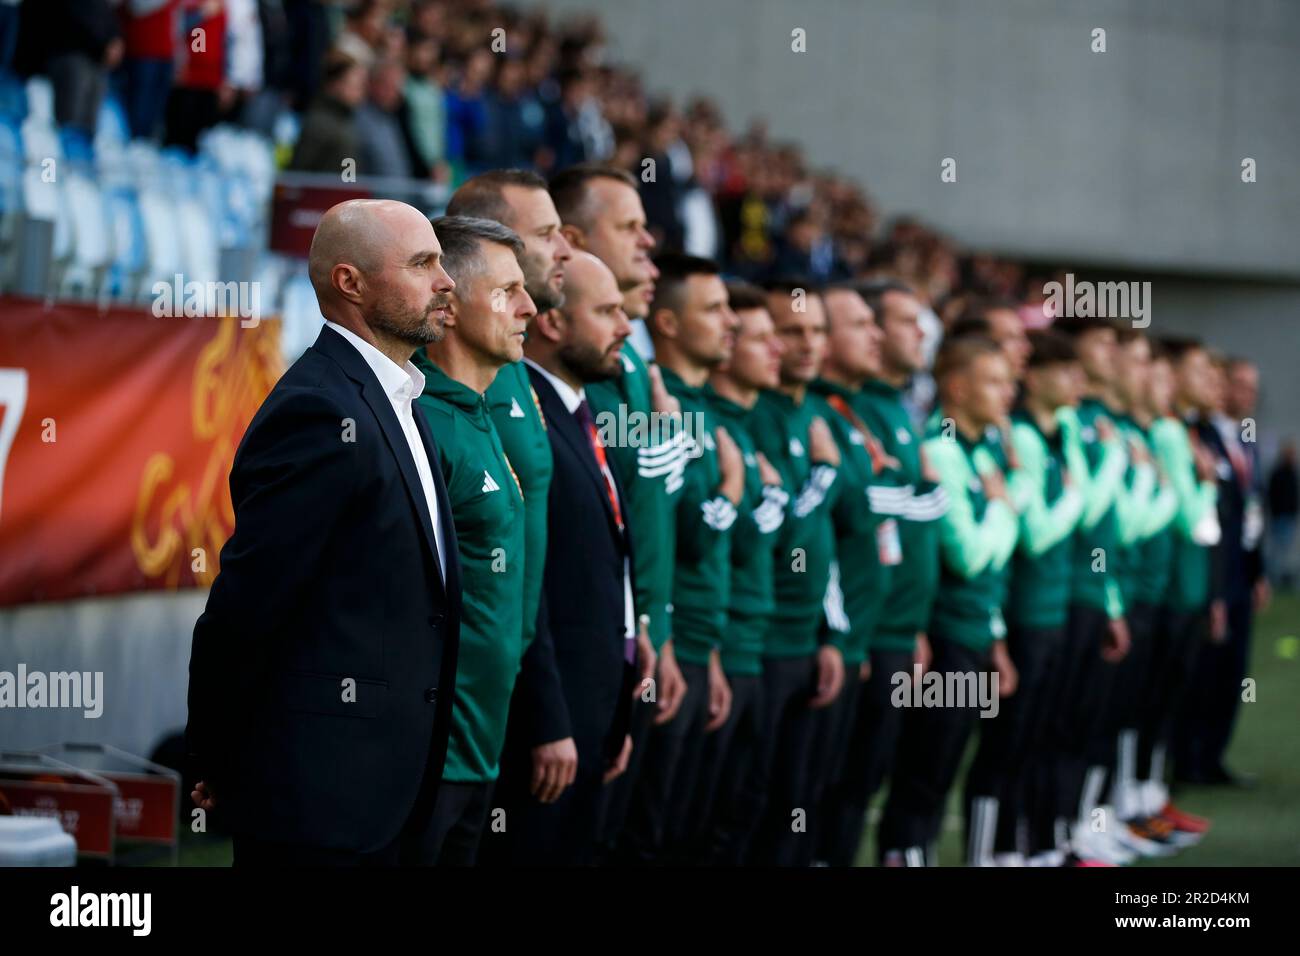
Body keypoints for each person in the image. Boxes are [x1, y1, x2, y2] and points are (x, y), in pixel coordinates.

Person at [186, 199, 461, 866]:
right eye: (422, 263)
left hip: (394, 792)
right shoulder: (319, 410)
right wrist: (215, 759)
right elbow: (246, 608)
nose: (447, 281)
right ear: (350, 283)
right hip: (319, 803)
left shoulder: (398, 398)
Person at [548, 165, 691, 854]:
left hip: (637, 637)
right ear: (573, 240)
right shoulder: (567, 359)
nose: (647, 240)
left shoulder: (628, 357)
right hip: (587, 648)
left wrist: (654, 623)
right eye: (628, 226)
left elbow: (644, 513)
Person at [483, 251, 636, 866]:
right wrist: (550, 718)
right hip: (549, 722)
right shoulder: (526, 420)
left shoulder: (586, 411)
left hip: (598, 703)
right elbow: (531, 583)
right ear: (553, 323)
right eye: (607, 311)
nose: (625, 325)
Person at [444, 170, 576, 814]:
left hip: (501, 696)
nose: (565, 251)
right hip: (457, 712)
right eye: (547, 234)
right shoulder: (444, 391)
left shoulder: (510, 366)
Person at [412, 216, 535, 864]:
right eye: (507, 291)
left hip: (483, 753)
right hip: (429, 760)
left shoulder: (482, 414)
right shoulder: (422, 423)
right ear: (451, 305)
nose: (530, 306)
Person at [615, 253, 744, 864]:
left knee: (683, 828)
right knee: (644, 832)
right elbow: (690, 530)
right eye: (714, 310)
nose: (731, 324)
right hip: (665, 644)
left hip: (695, 644)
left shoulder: (699, 405)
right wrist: (737, 492)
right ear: (667, 323)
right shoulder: (664, 403)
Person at [878, 336, 1019, 867]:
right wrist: (1006, 509)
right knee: (923, 773)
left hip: (974, 633)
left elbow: (991, 563)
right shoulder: (940, 448)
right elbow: (970, 555)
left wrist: (997, 637)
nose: (1007, 392)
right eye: (994, 381)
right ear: (956, 386)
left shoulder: (976, 450)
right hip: (943, 636)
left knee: (939, 774)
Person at [962, 330, 1086, 866]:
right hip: (1020, 611)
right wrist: (1078, 492)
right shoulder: (1022, 439)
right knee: (1005, 745)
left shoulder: (1056, 434)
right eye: (1067, 369)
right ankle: (993, 851)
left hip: (1051, 607)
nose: (1078, 380)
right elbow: (1034, 533)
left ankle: (1028, 846)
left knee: (1039, 736)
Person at [735, 280, 844, 867]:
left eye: (817, 331)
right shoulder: (759, 414)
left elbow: (825, 542)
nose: (806, 345)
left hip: (806, 640)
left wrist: (831, 633)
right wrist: (824, 473)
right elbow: (781, 535)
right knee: (756, 803)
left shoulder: (815, 413)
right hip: (764, 641)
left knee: (800, 801)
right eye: (791, 331)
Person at [683, 280, 788, 863]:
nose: (776, 350)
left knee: (744, 807)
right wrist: (757, 493)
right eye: (763, 338)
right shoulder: (708, 422)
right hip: (719, 645)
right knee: (696, 820)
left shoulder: (742, 427)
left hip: (747, 644)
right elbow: (727, 538)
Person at [806, 286, 906, 866]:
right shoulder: (817, 413)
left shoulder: (858, 411)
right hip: (823, 643)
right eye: (860, 323)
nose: (877, 335)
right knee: (805, 796)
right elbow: (857, 515)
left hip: (863, 636)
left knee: (852, 785)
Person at [849, 279, 948, 866]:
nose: (921, 334)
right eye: (906, 321)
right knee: (836, 785)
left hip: (898, 633)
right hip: (863, 636)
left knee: (868, 779)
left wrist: (912, 627)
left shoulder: (901, 406)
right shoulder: (856, 408)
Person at [1050, 316, 1133, 865]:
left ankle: (1080, 828)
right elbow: (1090, 512)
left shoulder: (1101, 422)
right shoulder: (1069, 425)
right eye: (1102, 342)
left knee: (1091, 723)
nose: (1113, 354)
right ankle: (1055, 836)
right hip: (1066, 592)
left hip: (1097, 590)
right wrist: (1121, 463)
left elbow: (1118, 527)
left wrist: (1113, 602)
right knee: (1056, 728)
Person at [1176, 357, 1268, 786]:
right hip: (1211, 575)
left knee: (1233, 672)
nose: (1246, 394)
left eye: (1253, 387)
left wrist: (1257, 572)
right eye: (1238, 384)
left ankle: (1212, 758)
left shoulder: (1246, 439)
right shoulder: (1197, 436)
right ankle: (1187, 761)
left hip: (1239, 577)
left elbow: (1249, 512)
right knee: (1204, 673)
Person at [1268, 442, 1298, 589]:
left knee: (1285, 550)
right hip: (1279, 516)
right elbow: (1272, 494)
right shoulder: (1278, 473)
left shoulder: (1293, 472)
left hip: (1289, 516)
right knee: (1278, 550)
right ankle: (1275, 578)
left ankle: (1284, 578)